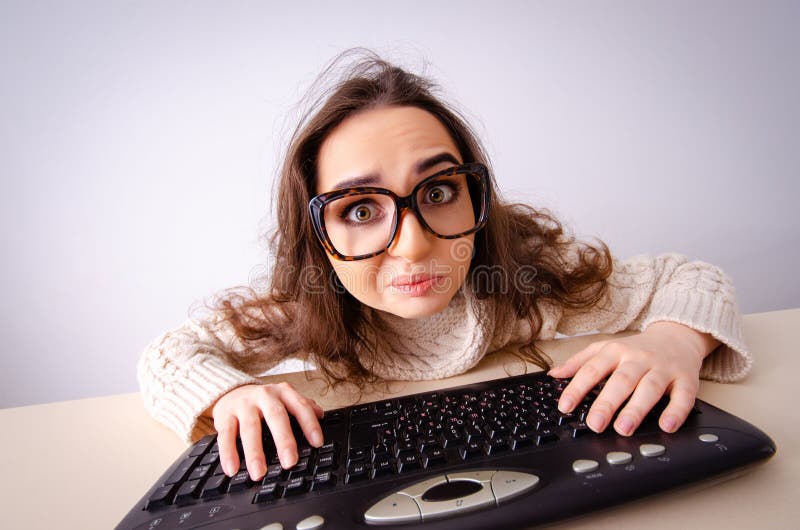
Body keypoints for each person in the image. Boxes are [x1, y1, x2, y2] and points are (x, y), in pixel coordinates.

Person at [137, 49, 752, 485]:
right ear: (315, 233)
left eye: (437, 192)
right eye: (358, 209)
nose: (410, 247)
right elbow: (170, 353)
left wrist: (674, 340)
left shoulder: (522, 280)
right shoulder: (303, 307)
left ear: (476, 197)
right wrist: (231, 394)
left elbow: (691, 277)